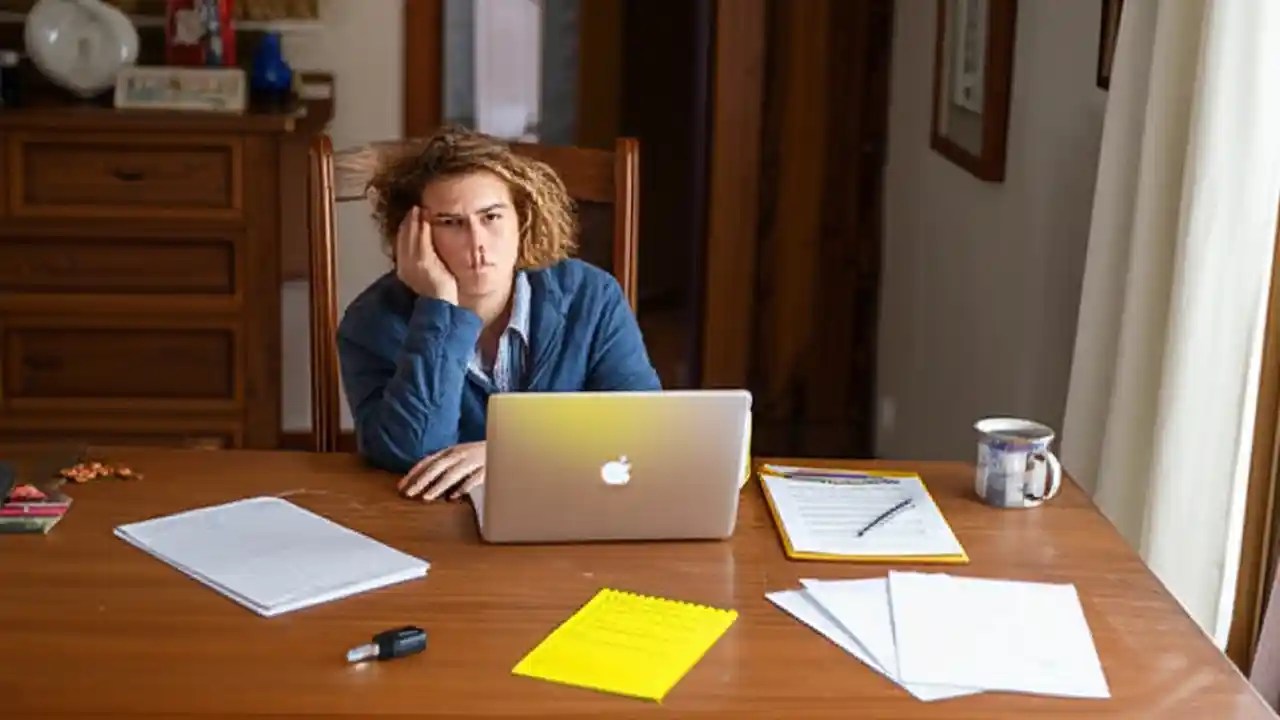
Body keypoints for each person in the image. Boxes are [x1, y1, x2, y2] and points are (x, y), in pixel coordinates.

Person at [337, 126, 661, 503]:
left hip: (572, 513)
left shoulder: (591, 296)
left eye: (491, 217)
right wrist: (441, 308)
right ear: (412, 236)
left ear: (521, 220)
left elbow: (643, 428)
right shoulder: (370, 322)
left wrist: (511, 455)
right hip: (440, 529)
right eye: (451, 223)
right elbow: (411, 454)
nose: (477, 243)